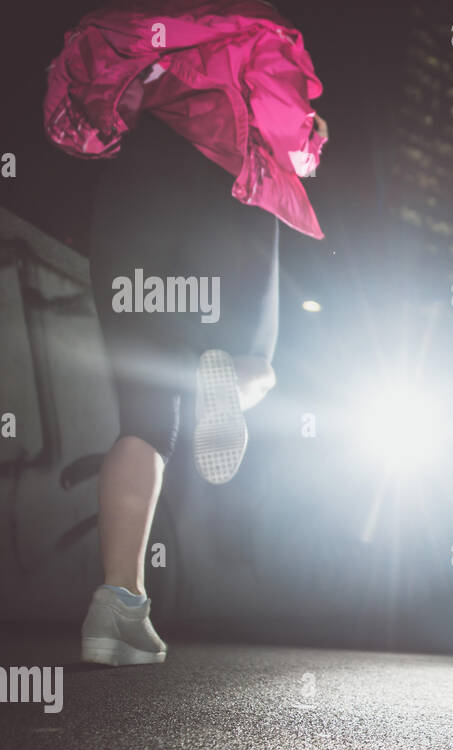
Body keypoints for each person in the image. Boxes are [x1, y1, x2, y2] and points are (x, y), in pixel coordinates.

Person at [43, 0, 328, 666]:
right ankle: (228, 372)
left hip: (129, 198)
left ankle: (117, 604)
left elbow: (77, 115)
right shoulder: (257, 24)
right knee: (257, 361)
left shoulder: (120, 19)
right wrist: (311, 141)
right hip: (223, 196)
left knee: (144, 421)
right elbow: (288, 132)